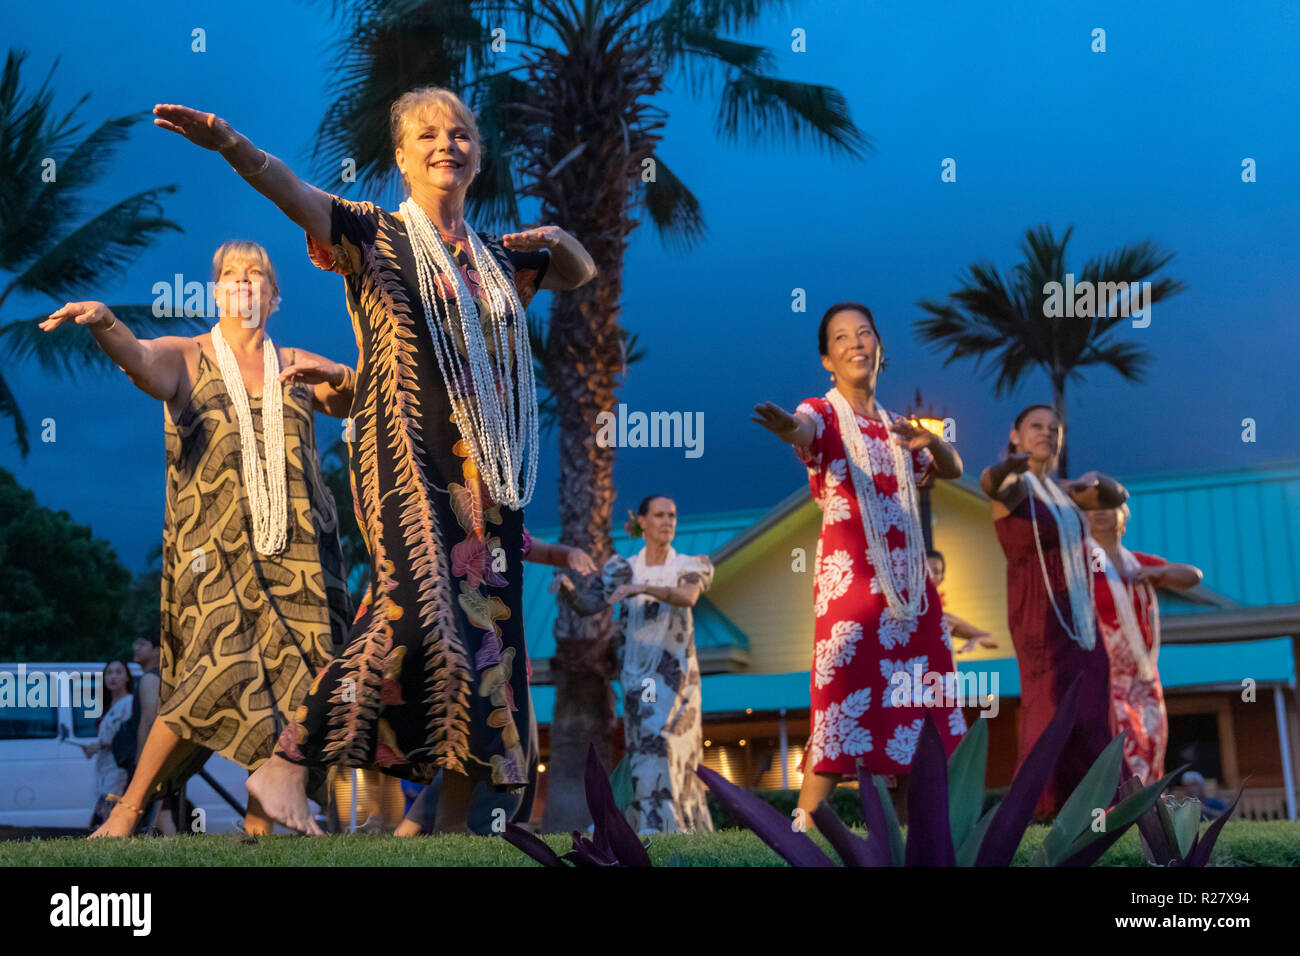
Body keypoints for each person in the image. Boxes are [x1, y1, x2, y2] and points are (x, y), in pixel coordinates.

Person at [151, 86, 597, 833]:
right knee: (413, 608)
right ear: (400, 156)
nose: (444, 144)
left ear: (478, 154)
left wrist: (553, 235)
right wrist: (231, 144)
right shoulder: (375, 234)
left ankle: (441, 822)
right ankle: (287, 764)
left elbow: (578, 271)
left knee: (485, 639)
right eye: (425, 134)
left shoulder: (494, 261)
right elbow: (292, 192)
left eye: (459, 134)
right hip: (403, 450)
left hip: (489, 472)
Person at [42, 240, 355, 837]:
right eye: (231, 274)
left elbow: (368, 396)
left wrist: (339, 373)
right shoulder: (189, 357)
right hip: (213, 559)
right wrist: (107, 321)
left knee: (299, 687)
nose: (244, 282)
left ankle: (260, 830)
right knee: (207, 675)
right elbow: (138, 358)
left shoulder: (293, 362)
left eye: (257, 273)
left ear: (274, 294)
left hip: (303, 555)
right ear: (215, 292)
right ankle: (129, 811)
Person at [753, 302, 965, 825]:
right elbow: (804, 429)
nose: (855, 343)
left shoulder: (899, 427)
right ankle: (803, 828)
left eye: (864, 333)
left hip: (911, 591)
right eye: (842, 337)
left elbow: (953, 469)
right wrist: (788, 427)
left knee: (919, 702)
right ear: (828, 358)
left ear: (880, 350)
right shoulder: (823, 412)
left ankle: (910, 837)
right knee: (844, 694)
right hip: (852, 586)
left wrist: (932, 439)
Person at [393, 528, 596, 836]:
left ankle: (513, 831)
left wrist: (571, 554)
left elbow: (542, 549)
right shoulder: (450, 519)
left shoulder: (506, 525)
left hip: (511, 662)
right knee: (492, 750)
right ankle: (424, 827)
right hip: (470, 662)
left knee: (522, 755)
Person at [979, 404, 1127, 817]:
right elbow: (989, 482)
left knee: (1093, 711)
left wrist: (1087, 481)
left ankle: (1105, 808)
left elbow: (1117, 496)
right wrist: (1010, 465)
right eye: (1036, 427)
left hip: (1079, 618)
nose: (1046, 433)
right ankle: (1038, 813)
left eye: (1054, 428)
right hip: (1039, 618)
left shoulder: (1064, 491)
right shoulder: (1015, 488)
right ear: (1016, 435)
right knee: (1051, 711)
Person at [554, 495, 714, 833]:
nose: (668, 521)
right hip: (641, 678)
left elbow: (688, 597)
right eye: (659, 515)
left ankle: (674, 826)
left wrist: (641, 588)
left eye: (672, 515)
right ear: (642, 522)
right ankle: (652, 826)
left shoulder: (688, 565)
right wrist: (567, 590)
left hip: (679, 679)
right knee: (650, 744)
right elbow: (589, 605)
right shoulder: (622, 568)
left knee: (675, 748)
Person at [1087, 503, 1202, 784]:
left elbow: (1192, 576)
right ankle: (1113, 810)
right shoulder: (1079, 563)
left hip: (1142, 673)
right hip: (1103, 673)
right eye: (1091, 507)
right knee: (1119, 740)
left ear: (1123, 520)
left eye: (1109, 505)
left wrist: (1155, 573)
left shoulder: (1137, 563)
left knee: (1151, 739)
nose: (1100, 510)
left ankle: (1147, 811)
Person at [81, 661, 134, 830]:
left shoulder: (130, 703)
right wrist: (94, 748)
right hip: (103, 767)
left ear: (127, 677)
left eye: (118, 672)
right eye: (109, 673)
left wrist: (102, 745)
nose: (113, 677)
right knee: (102, 812)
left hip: (119, 769)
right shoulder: (106, 706)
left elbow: (130, 738)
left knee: (109, 814)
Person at [926, 549, 998, 655]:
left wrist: (976, 640)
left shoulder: (946, 620)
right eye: (927, 571)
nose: (931, 576)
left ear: (941, 579)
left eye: (936, 572)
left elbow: (992, 639)